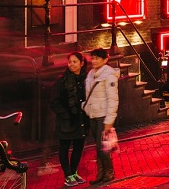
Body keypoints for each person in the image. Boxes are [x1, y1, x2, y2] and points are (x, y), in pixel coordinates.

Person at [50, 52, 88, 187]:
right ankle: (68, 175)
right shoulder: (62, 80)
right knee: (64, 147)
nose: (71, 64)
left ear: (81, 63)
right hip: (66, 120)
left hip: (81, 118)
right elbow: (54, 101)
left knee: (79, 147)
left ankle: (74, 172)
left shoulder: (85, 79)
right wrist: (65, 114)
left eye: (74, 62)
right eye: (70, 62)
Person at [82, 48, 119, 185]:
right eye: (93, 58)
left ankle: (108, 172)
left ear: (105, 59)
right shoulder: (91, 74)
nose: (94, 61)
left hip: (103, 116)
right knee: (99, 146)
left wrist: (109, 120)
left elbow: (113, 99)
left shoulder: (109, 75)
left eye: (97, 58)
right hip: (93, 114)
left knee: (103, 146)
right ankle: (101, 173)